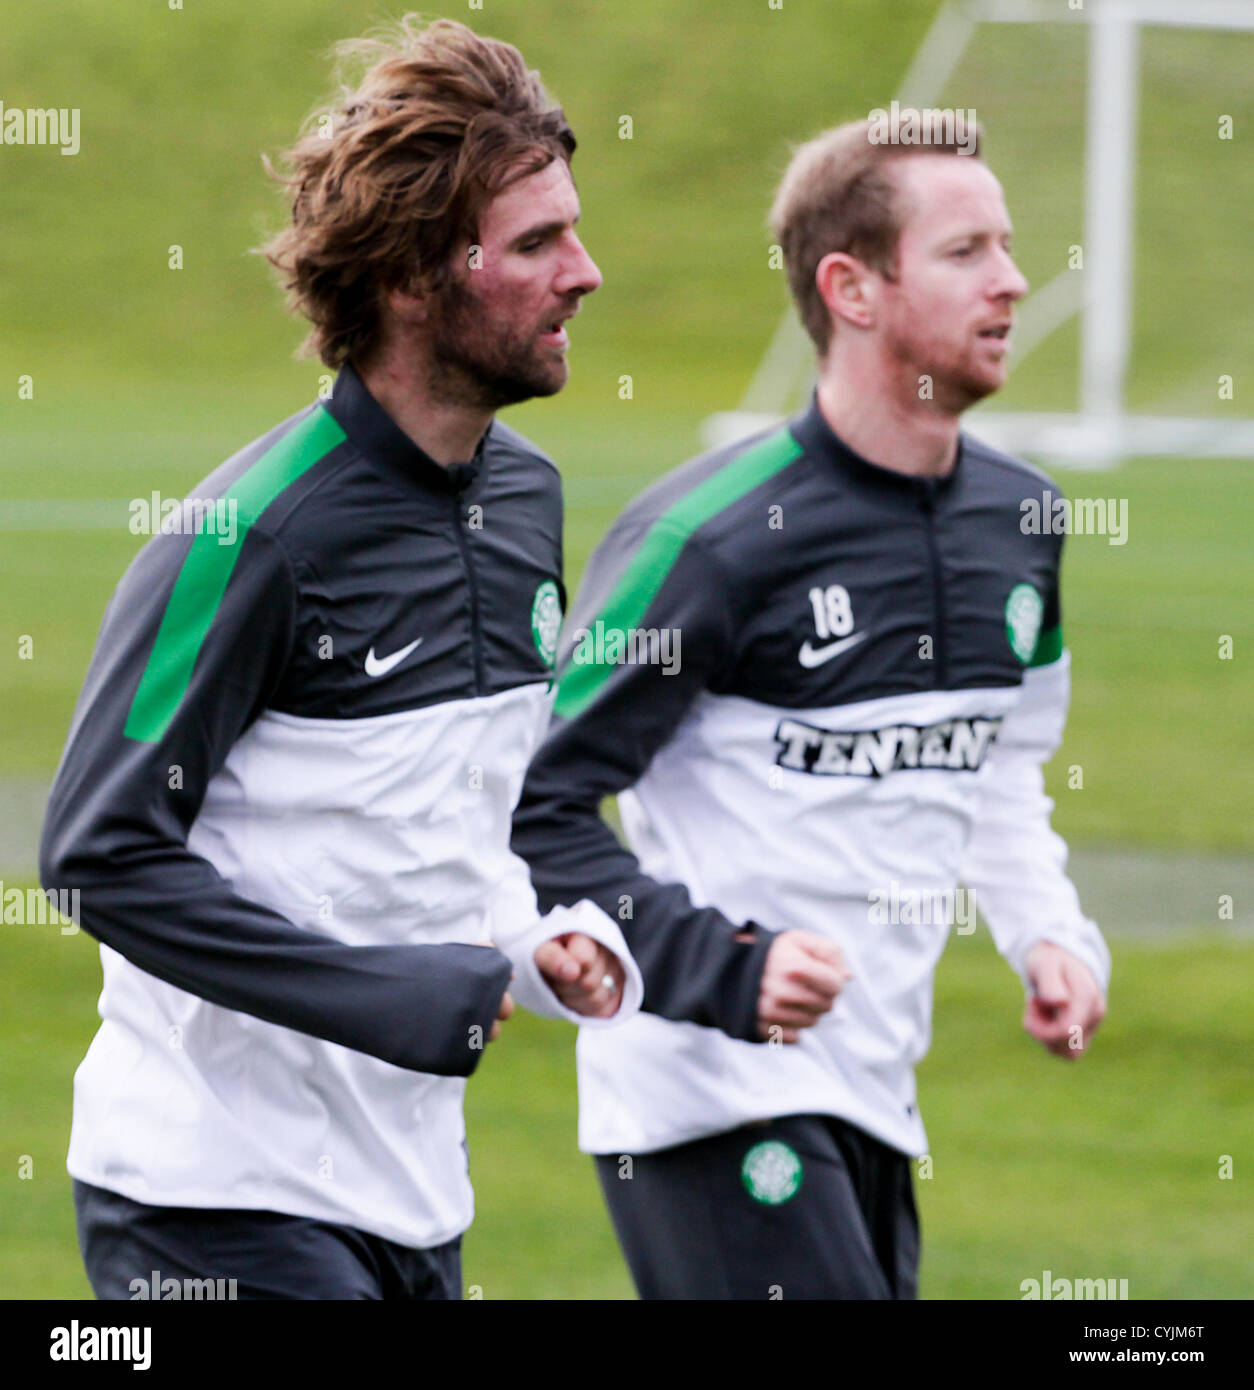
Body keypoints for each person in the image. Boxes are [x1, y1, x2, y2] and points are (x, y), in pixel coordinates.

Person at [39, 15, 645, 1303]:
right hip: (209, 1199)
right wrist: (387, 996)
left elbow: (436, 822)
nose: (585, 272)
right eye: (537, 243)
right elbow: (99, 855)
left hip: (411, 1192)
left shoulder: (527, 500)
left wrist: (529, 944)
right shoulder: (253, 536)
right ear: (418, 277)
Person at [512, 110, 1111, 1300]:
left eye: (1008, 244)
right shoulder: (711, 540)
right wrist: (726, 966)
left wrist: (1047, 929)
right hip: (706, 1098)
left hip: (875, 1090)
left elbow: (995, 762)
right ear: (853, 288)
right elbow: (532, 804)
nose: (1016, 279)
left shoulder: (1025, 521)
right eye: (967, 251)